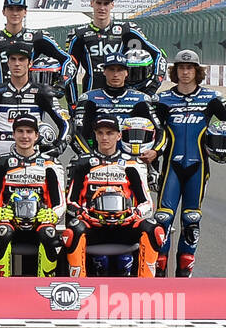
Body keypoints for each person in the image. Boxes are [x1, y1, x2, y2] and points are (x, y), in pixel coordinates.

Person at [153, 49, 226, 277]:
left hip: (198, 168)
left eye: (190, 68)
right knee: (163, 219)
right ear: (174, 71)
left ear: (198, 71)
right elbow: (151, 131)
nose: (185, 72)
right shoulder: (162, 99)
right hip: (169, 168)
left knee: (191, 220)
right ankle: (159, 273)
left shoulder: (211, 98)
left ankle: (184, 277)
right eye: (181, 68)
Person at [63, 115, 166, 278]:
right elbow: (70, 201)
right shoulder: (81, 163)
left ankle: (146, 284)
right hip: (93, 226)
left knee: (153, 228)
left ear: (119, 136)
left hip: (124, 226)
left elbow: (146, 202)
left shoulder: (133, 164)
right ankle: (78, 285)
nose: (105, 137)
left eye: (110, 133)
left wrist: (134, 213)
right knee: (73, 229)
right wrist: (84, 213)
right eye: (101, 133)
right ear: (95, 135)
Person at [0, 114, 66, 277]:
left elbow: (60, 203)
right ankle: (0, 285)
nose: (25, 136)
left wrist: (52, 214)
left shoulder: (50, 164)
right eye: (20, 131)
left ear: (37, 135)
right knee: (1, 231)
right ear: (14, 134)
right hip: (10, 223)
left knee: (50, 234)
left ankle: (45, 284)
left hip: (39, 222)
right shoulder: (0, 163)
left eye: (29, 131)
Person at [63, 0, 165, 105]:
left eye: (106, 3)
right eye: (98, 2)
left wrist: (153, 84)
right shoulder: (78, 35)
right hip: (91, 99)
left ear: (112, 5)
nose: (102, 8)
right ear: (91, 3)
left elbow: (158, 54)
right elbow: (69, 71)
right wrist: (73, 105)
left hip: (124, 100)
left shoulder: (127, 30)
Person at [0, 41, 68, 160]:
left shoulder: (42, 92)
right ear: (8, 63)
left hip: (33, 157)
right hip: (1, 157)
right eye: (13, 59)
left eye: (22, 59)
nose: (17, 64)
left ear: (30, 63)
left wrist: (58, 146)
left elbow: (65, 123)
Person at [0, 0, 69, 101]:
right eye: (11, 9)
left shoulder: (39, 37)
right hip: (2, 102)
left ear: (25, 12)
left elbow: (67, 59)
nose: (15, 13)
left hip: (32, 101)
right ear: (3, 11)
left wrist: (61, 83)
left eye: (19, 9)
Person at [70, 53, 163, 159]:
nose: (115, 74)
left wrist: (155, 151)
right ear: (104, 71)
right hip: (97, 160)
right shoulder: (88, 99)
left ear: (126, 72)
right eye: (111, 69)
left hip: (132, 159)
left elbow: (160, 130)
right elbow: (77, 132)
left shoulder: (141, 99)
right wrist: (88, 155)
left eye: (120, 70)